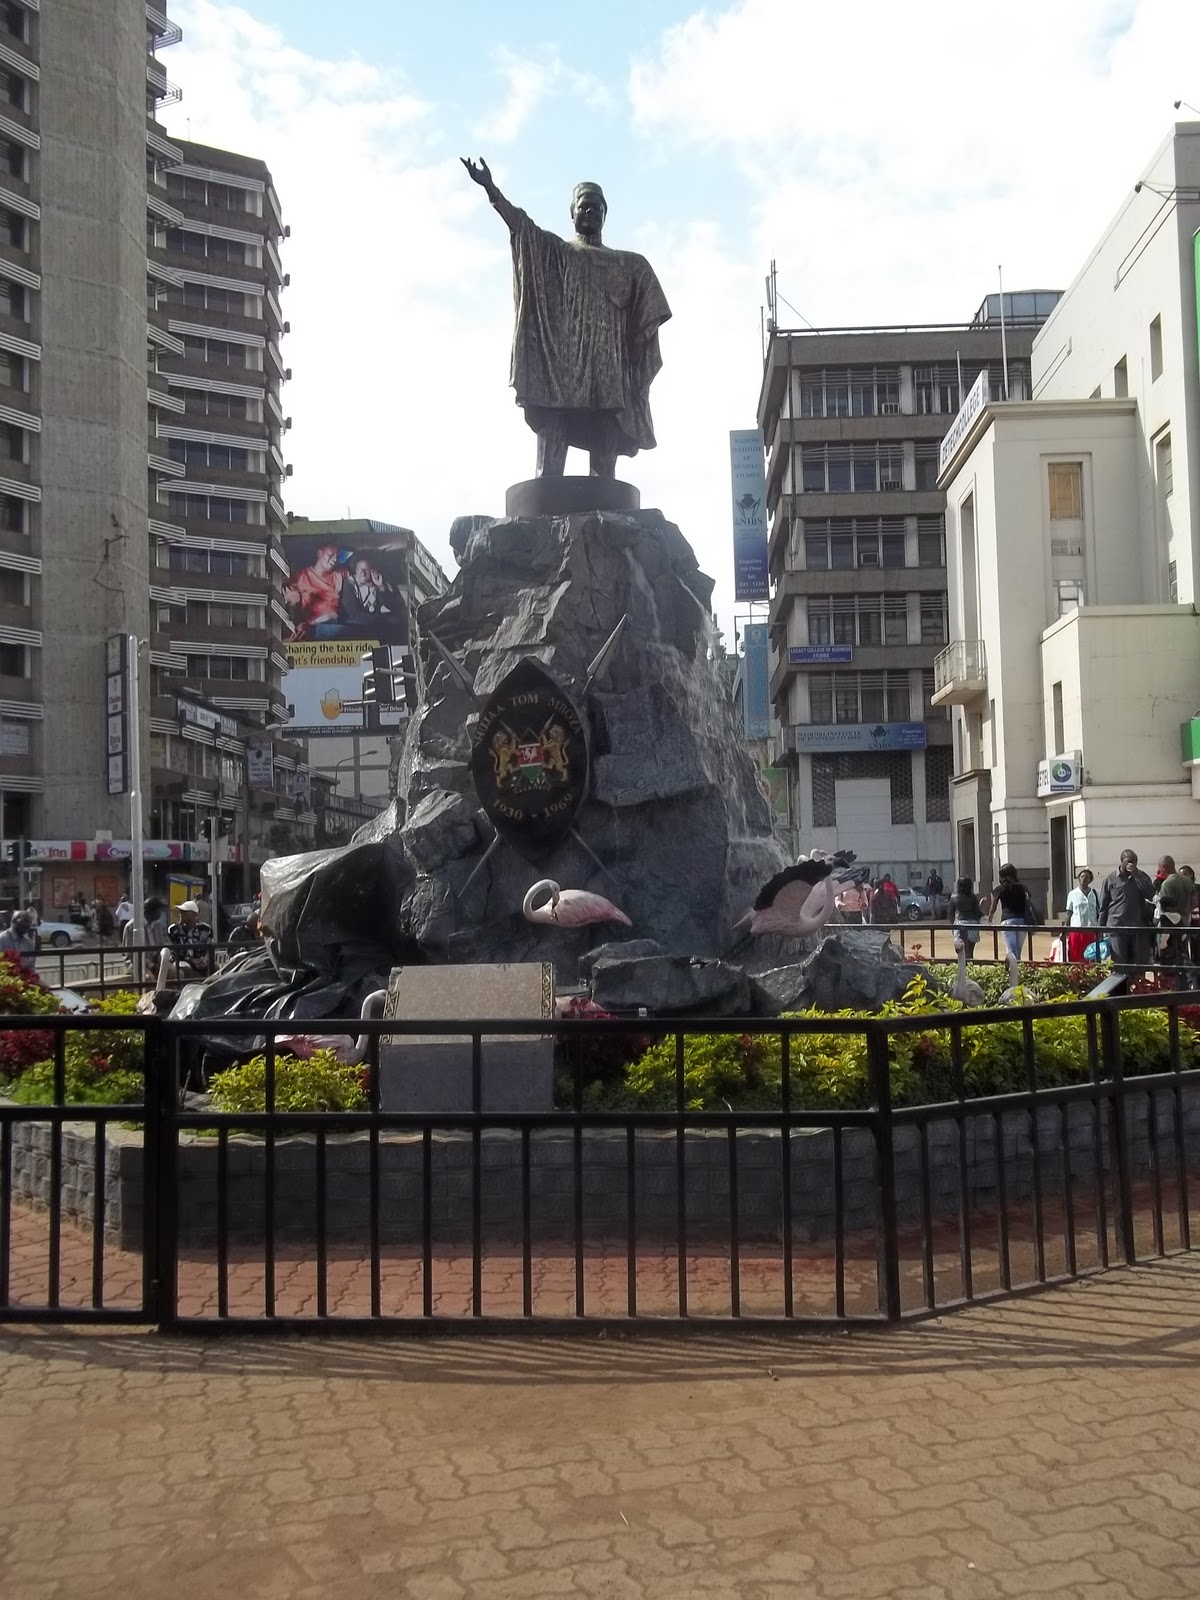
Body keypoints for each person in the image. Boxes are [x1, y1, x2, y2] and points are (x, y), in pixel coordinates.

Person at [462, 158, 671, 479]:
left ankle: (605, 496)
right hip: (564, 366)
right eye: (583, 207)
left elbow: (649, 316)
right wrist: (492, 190)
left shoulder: (629, 265)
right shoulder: (558, 252)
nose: (590, 212)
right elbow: (522, 227)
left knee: (606, 435)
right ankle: (547, 491)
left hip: (607, 369)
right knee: (554, 424)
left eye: (596, 208)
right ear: (572, 213)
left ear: (605, 215)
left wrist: (634, 346)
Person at [1097, 849, 1155, 968]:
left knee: (1139, 964)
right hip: (1117, 927)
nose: (1132, 865)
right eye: (1129, 862)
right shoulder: (1110, 879)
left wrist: (1137, 876)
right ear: (1121, 862)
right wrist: (1100, 928)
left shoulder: (1141, 876)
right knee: (1120, 963)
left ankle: (1138, 985)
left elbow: (1150, 894)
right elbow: (1103, 906)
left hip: (1137, 927)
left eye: (1134, 862)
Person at [154, 900, 213, 994]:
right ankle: (188, 995)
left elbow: (209, 947)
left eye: (185, 912)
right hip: (181, 960)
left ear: (193, 914)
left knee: (215, 968)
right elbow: (173, 950)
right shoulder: (174, 929)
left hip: (201, 959)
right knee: (186, 969)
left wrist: (205, 960)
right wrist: (191, 960)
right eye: (181, 911)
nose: (181, 914)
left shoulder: (205, 929)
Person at [1154, 856, 1196, 970]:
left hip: (1171, 927)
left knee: (1170, 959)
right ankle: (1184, 983)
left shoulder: (1167, 884)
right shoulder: (1187, 880)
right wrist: (1186, 912)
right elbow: (1194, 902)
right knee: (1184, 956)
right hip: (1186, 923)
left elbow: (1166, 908)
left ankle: (1171, 984)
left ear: (1163, 868)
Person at [990, 863, 1033, 960]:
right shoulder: (1023, 887)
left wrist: (990, 916)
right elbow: (1028, 901)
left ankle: (1013, 972)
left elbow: (993, 906)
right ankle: (1017, 970)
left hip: (1007, 920)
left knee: (1011, 949)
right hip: (1022, 920)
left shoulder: (1000, 889)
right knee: (1018, 950)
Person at [1064, 869, 1101, 962]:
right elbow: (1068, 913)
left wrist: (1100, 930)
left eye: (1087, 877)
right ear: (1078, 878)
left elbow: (1098, 912)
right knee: (1076, 957)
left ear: (1090, 880)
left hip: (1091, 931)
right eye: (1082, 876)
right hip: (1077, 931)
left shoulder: (1095, 894)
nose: (1084, 879)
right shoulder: (1072, 894)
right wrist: (1064, 929)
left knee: (1091, 958)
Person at [949, 876, 986, 958]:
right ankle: (970, 966)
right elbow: (977, 912)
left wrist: (953, 925)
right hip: (973, 924)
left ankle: (963, 967)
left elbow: (950, 913)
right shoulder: (973, 897)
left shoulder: (954, 897)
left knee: (961, 950)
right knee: (970, 951)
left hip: (960, 923)